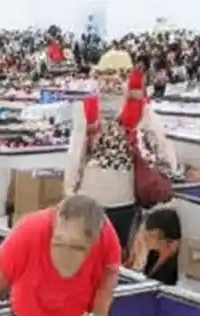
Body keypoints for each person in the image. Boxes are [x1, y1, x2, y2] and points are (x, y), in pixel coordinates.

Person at [64, 51, 177, 248]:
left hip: (89, 196)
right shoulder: (141, 109)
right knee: (117, 257)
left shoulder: (86, 108)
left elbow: (76, 155)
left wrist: (69, 192)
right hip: (124, 198)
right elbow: (163, 146)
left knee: (88, 254)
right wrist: (166, 170)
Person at [128, 205, 181, 286]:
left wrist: (139, 264)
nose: (146, 240)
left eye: (152, 236)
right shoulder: (152, 255)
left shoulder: (167, 273)